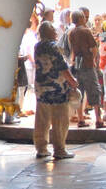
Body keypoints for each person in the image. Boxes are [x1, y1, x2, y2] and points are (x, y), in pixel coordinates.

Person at [32, 21, 79, 159]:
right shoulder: (54, 47)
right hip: (57, 88)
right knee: (60, 120)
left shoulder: (38, 46)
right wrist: (73, 82)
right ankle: (59, 149)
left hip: (41, 87)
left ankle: (41, 148)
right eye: (53, 29)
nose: (56, 31)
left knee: (42, 119)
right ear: (48, 32)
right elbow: (62, 68)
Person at [67, 11, 106, 128]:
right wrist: (93, 59)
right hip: (88, 64)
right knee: (94, 91)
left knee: (80, 92)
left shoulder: (71, 32)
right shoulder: (86, 31)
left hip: (77, 65)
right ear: (81, 18)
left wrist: (73, 61)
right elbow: (94, 48)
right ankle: (99, 120)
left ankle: (81, 119)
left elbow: (73, 50)